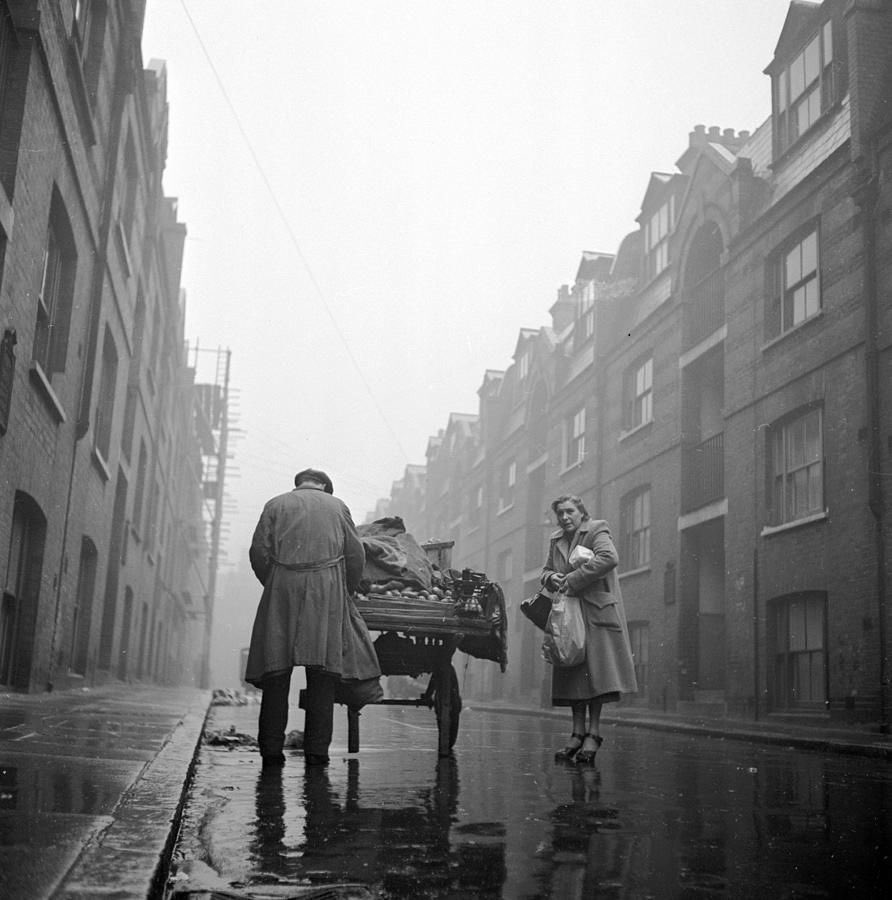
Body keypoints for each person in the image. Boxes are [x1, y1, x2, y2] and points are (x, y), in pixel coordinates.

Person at [245, 468, 379, 767]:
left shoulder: (275, 504)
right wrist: (344, 590)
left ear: (300, 484)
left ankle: (270, 751)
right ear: (325, 486)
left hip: (282, 589)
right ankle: (317, 752)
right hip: (325, 591)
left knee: (276, 674)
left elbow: (258, 552)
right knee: (323, 676)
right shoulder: (338, 507)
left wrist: (276, 581)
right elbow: (355, 556)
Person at [540, 495, 637, 764]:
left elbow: (609, 557)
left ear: (581, 513)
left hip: (595, 612)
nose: (564, 517)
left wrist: (572, 579)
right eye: (560, 513)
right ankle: (576, 733)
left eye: (569, 511)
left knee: (595, 677)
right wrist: (551, 577)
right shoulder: (556, 539)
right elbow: (546, 570)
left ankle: (593, 734)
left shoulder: (596, 529)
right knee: (572, 672)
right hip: (568, 614)